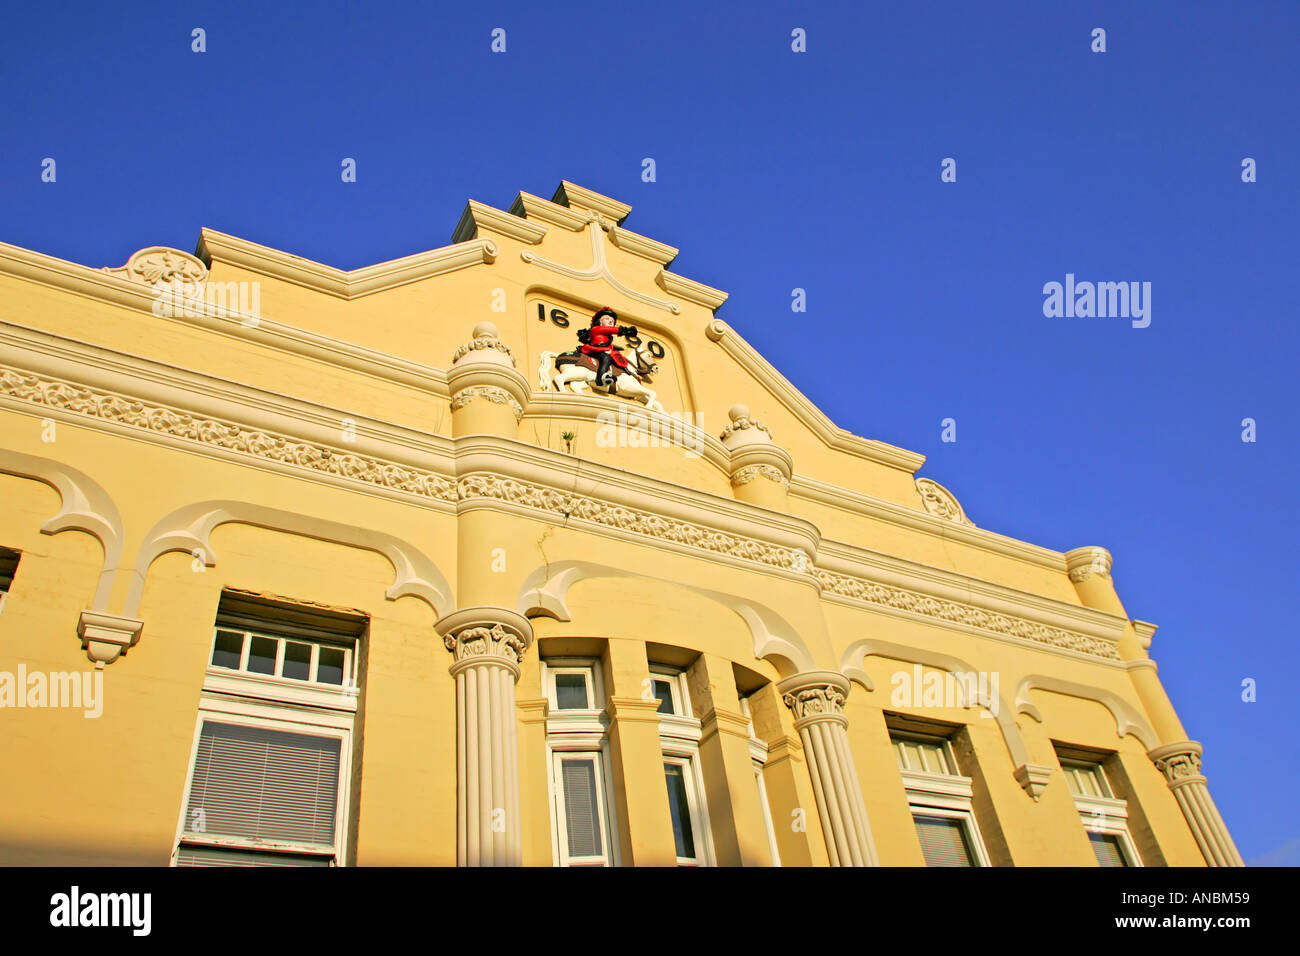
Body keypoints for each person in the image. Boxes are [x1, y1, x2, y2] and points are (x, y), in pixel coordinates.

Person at [577, 307, 638, 390]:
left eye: (612, 321)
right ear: (600, 321)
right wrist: (627, 330)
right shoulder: (596, 329)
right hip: (595, 349)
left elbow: (607, 343)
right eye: (607, 319)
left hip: (603, 349)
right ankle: (600, 378)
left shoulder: (608, 336)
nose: (610, 321)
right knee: (606, 357)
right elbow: (613, 330)